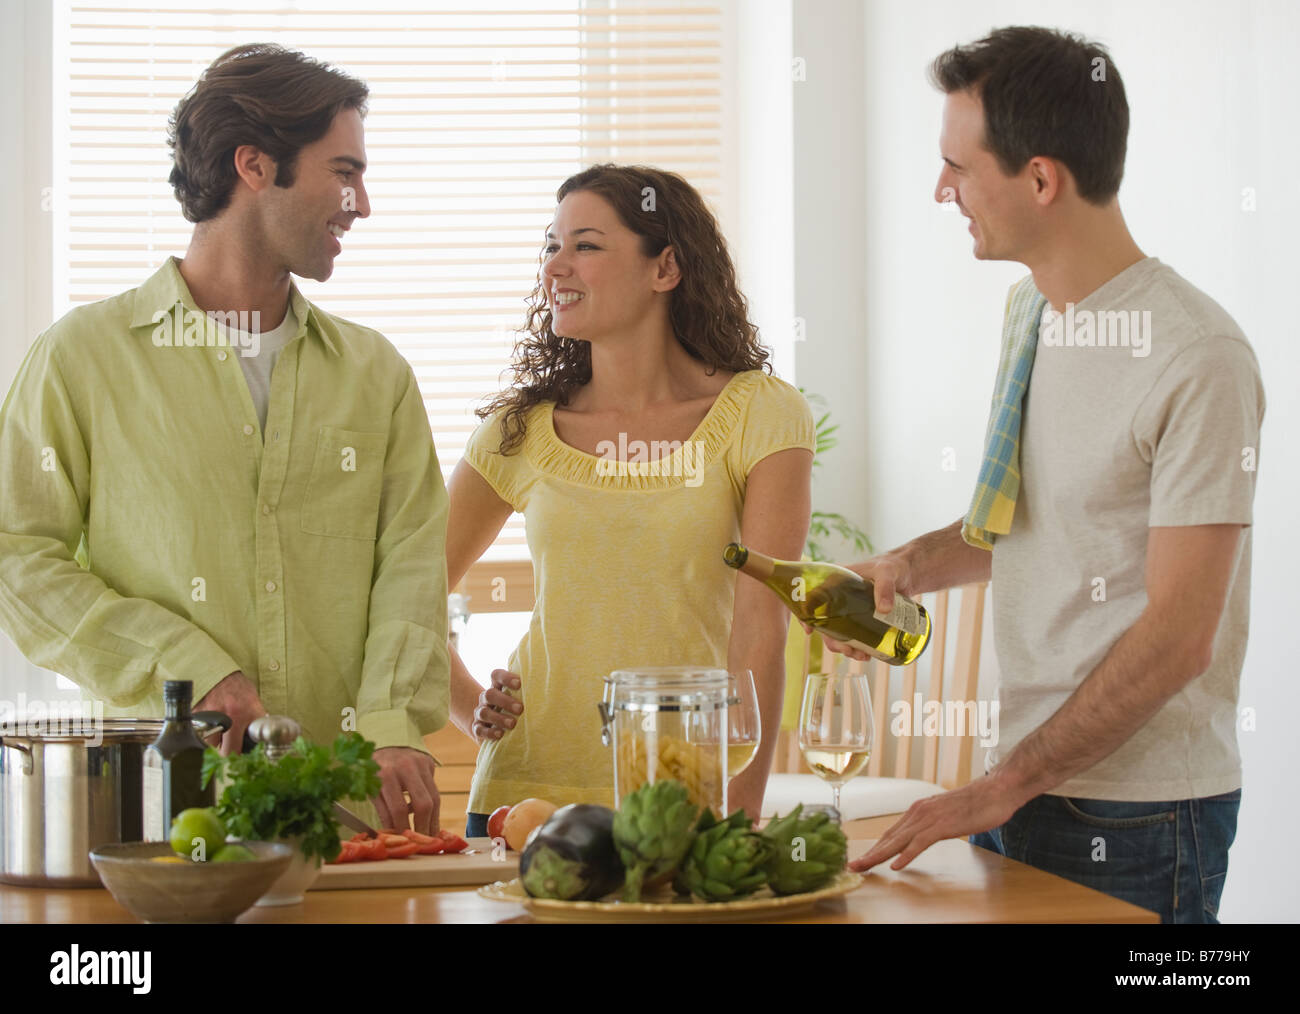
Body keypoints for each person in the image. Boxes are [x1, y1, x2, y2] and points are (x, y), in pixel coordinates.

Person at [827, 27, 1263, 924]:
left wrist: (998, 786)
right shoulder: (1032, 314)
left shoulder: (1198, 356)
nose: (941, 190)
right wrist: (902, 569)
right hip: (1025, 789)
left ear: (1039, 179)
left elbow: (1184, 636)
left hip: (1141, 811)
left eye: (959, 166)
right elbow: (1024, 522)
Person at [0, 44, 449, 833]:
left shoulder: (376, 377)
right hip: (155, 828)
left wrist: (388, 723)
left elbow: (410, 564)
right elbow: (16, 557)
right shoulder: (83, 359)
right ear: (254, 165)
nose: (362, 203)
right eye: (343, 172)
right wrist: (188, 670)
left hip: (345, 831)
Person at [445, 165, 814, 835]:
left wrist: (742, 810)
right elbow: (407, 590)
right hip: (522, 798)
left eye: (585, 245)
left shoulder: (762, 412)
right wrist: (469, 704)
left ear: (665, 267)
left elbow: (760, 628)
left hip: (684, 797)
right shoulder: (518, 429)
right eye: (550, 246)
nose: (557, 265)